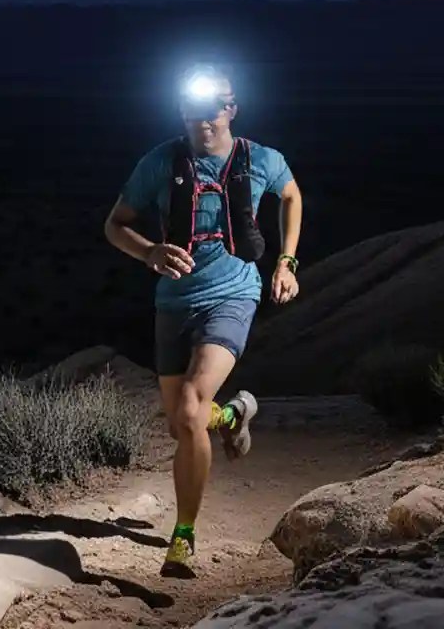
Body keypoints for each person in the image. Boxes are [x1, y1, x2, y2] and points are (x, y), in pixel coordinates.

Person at [103, 64, 303, 578]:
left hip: (234, 295)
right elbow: (115, 225)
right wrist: (149, 252)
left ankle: (183, 537)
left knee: (190, 407)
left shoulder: (261, 159)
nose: (203, 119)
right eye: (192, 110)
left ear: (231, 109)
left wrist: (286, 260)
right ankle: (233, 416)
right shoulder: (160, 163)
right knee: (182, 423)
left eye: (213, 108)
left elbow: (291, 196)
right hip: (173, 304)